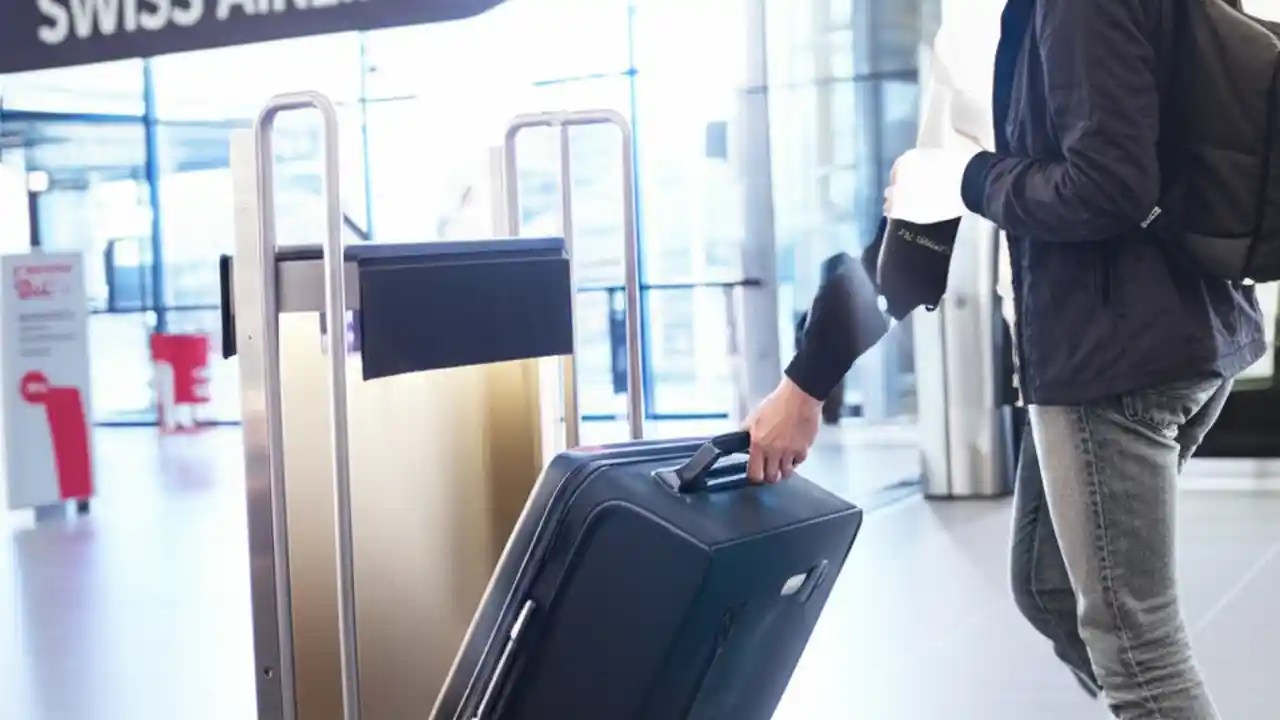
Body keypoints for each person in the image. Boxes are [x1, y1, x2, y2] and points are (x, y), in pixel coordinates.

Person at [744, 1, 1267, 718]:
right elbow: (913, 238)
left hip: (1113, 356)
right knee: (1052, 591)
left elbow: (1107, 187)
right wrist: (807, 383)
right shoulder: (982, 21)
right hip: (1172, 332)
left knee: (1136, 648)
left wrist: (973, 176)